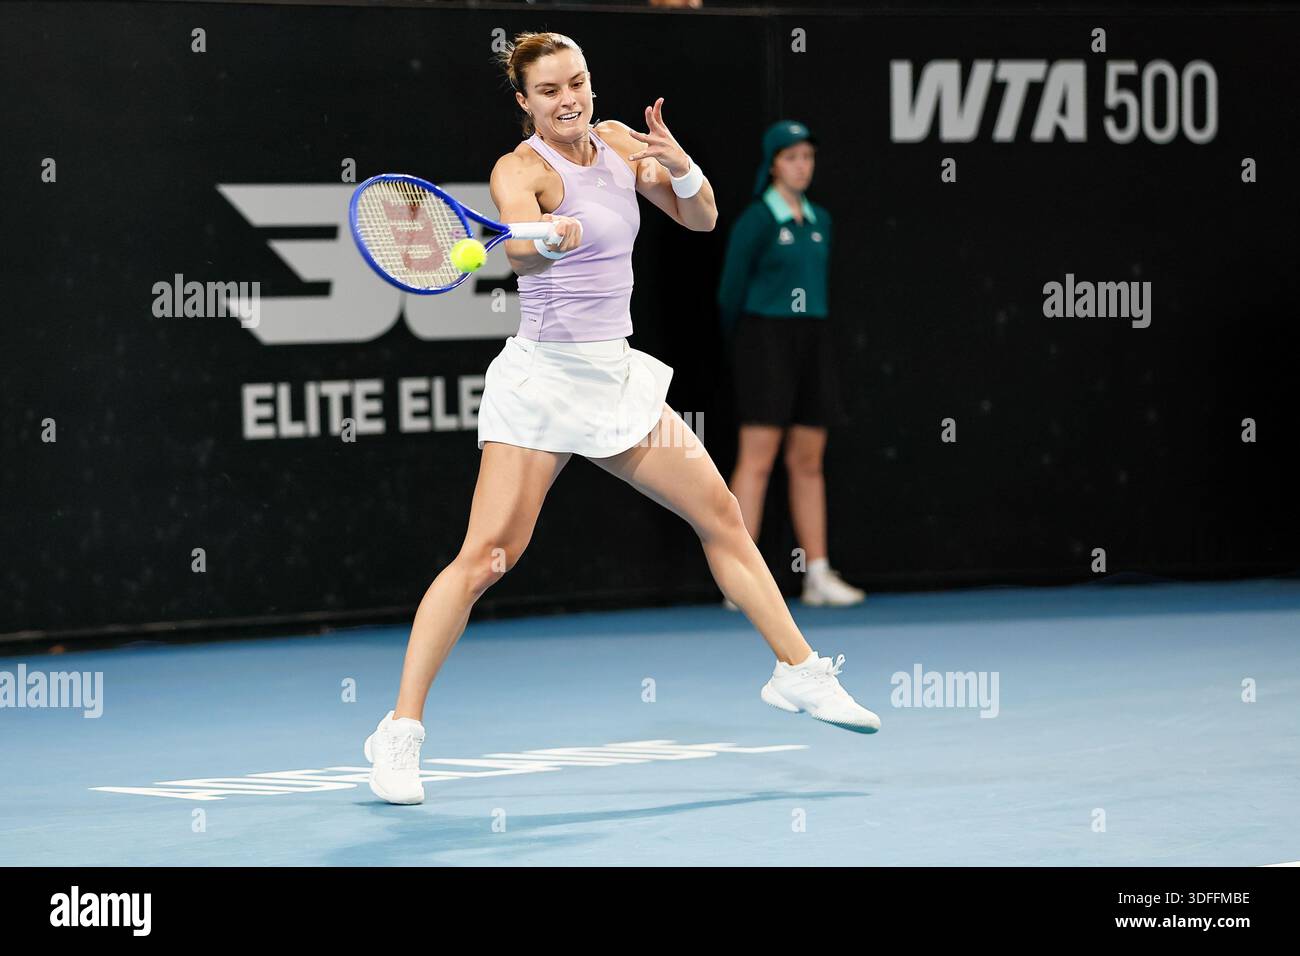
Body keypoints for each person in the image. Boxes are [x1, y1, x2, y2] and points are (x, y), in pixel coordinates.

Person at [364, 33, 880, 806]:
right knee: (486, 559)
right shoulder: (520, 171)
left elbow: (701, 218)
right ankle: (399, 734)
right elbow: (521, 257)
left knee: (722, 515)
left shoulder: (612, 141)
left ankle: (797, 673)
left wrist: (677, 162)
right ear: (524, 103)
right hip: (542, 383)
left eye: (577, 82)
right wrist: (549, 240)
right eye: (549, 91)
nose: (568, 99)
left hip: (613, 376)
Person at [717, 120, 866, 608]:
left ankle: (817, 575)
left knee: (808, 461)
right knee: (756, 461)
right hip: (765, 339)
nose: (803, 166)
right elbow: (730, 293)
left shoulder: (822, 220)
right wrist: (748, 343)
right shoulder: (757, 220)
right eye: (792, 157)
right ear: (774, 164)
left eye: (808, 156)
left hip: (814, 339)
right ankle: (741, 580)